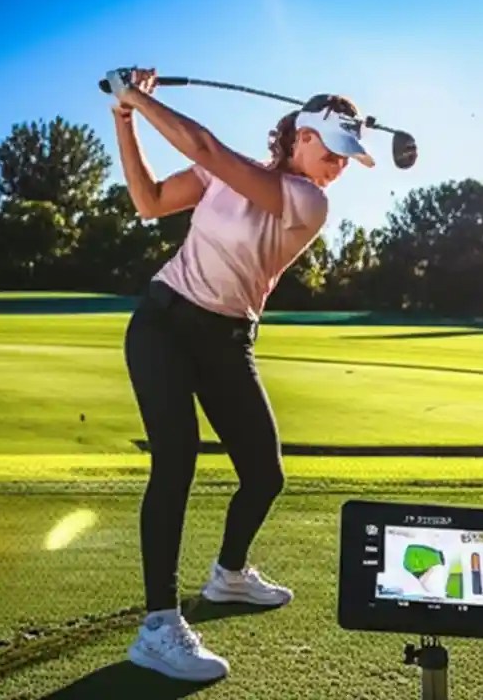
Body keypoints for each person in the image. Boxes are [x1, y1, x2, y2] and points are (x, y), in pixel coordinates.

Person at [105, 67, 375, 682]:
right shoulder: (223, 176)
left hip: (228, 341)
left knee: (265, 474)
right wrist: (126, 118)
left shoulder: (310, 201)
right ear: (302, 137)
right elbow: (147, 202)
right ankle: (159, 626)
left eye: (346, 158)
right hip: (163, 326)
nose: (337, 166)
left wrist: (139, 99)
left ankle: (228, 576)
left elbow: (206, 148)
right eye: (332, 151)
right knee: (175, 461)